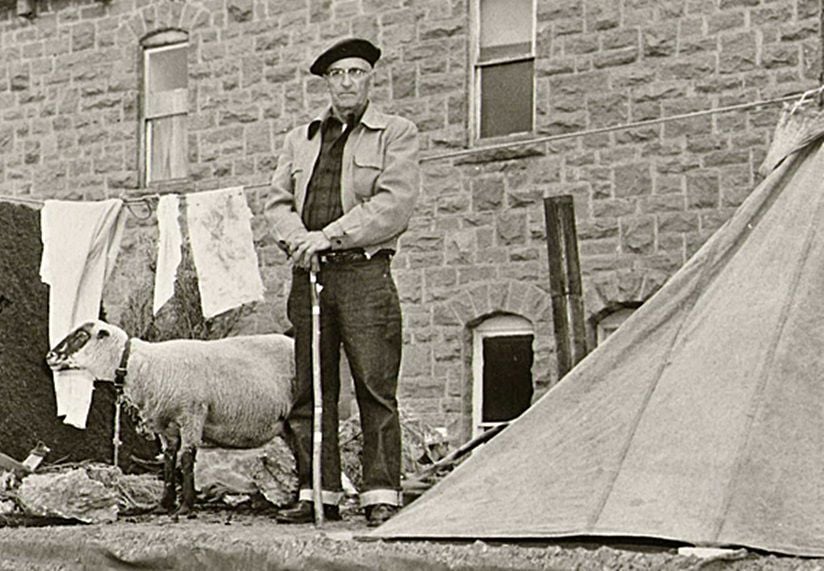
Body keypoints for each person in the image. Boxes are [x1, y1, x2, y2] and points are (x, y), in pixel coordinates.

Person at [265, 37, 421, 527]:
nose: (347, 82)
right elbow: (278, 204)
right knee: (313, 388)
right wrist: (300, 241)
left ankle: (380, 492)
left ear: (370, 79)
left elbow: (393, 205)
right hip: (308, 275)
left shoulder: (395, 133)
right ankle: (320, 492)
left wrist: (328, 237)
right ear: (326, 82)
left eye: (356, 73)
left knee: (374, 385)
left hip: (362, 273)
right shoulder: (301, 138)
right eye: (337, 74)